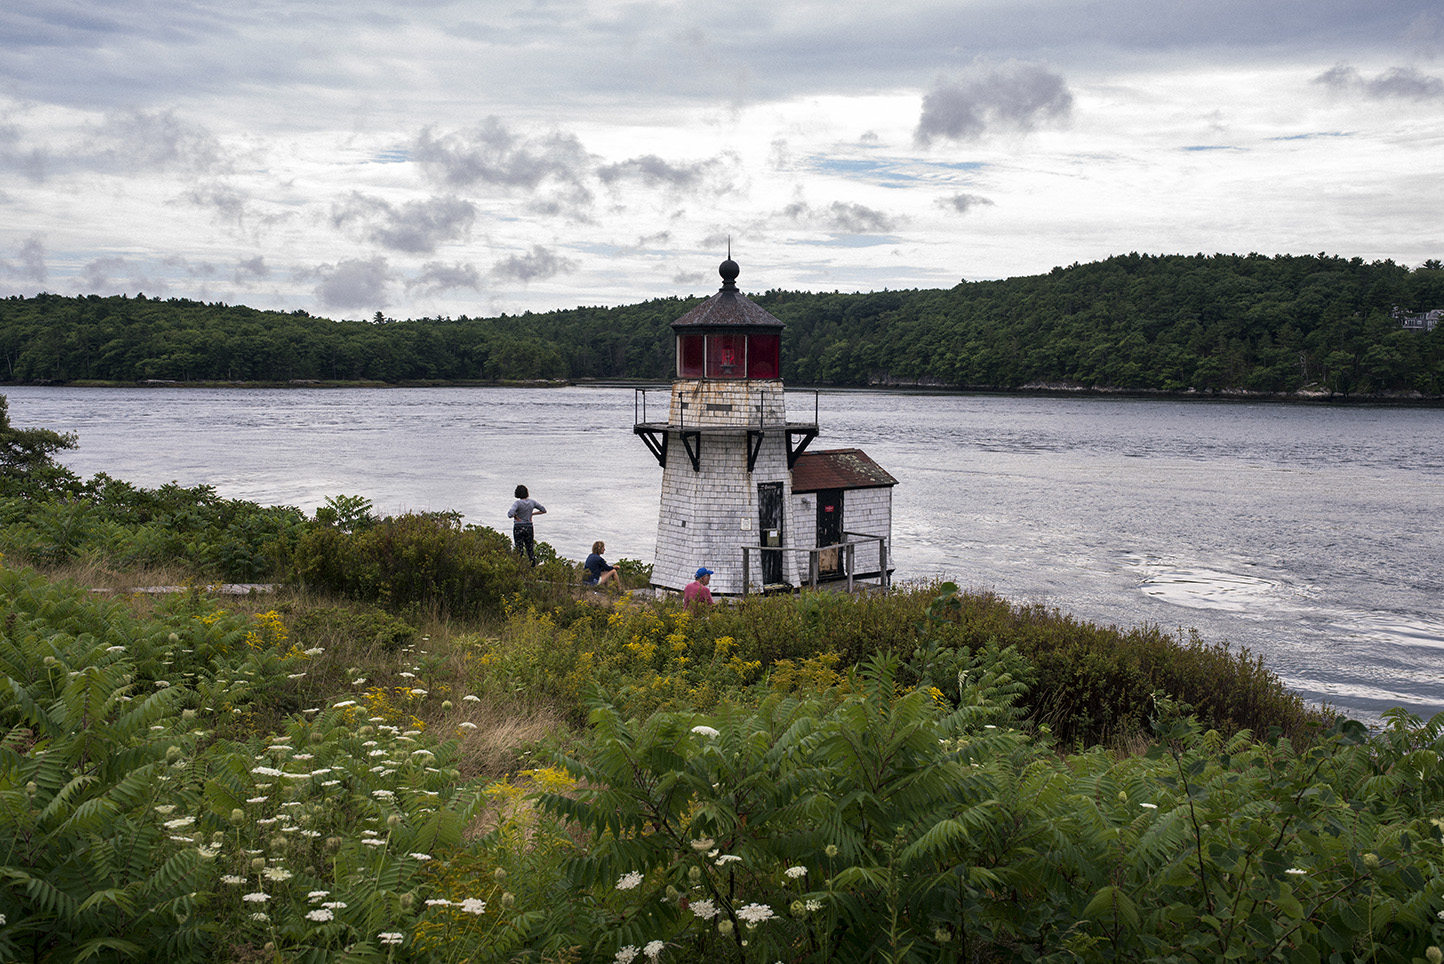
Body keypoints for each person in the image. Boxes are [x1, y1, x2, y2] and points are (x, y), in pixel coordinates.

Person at [506, 484, 546, 565]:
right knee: (530, 549)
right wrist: (532, 514)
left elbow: (510, 514)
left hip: (518, 527)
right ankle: (532, 568)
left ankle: (519, 568)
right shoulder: (532, 502)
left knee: (519, 549)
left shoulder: (517, 503)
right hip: (529, 527)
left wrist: (515, 516)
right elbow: (543, 510)